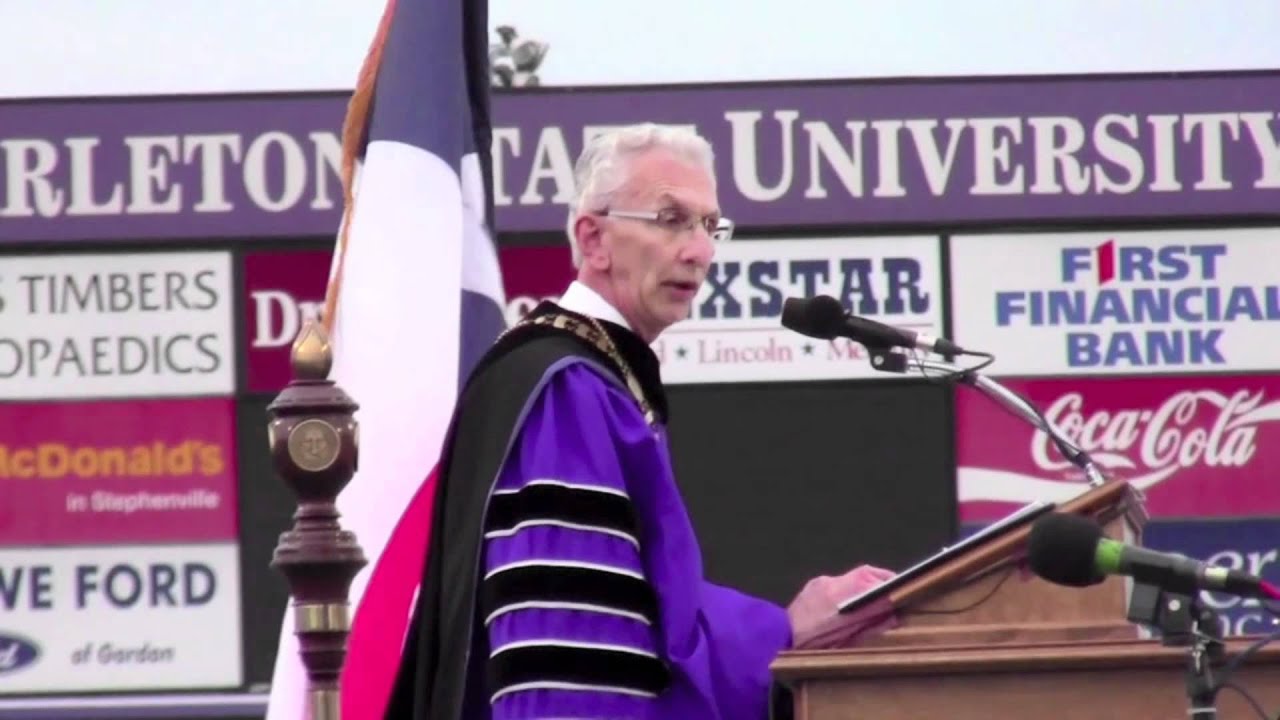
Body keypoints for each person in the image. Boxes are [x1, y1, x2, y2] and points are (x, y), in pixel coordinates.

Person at [384, 123, 894, 719]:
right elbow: (578, 659)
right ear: (593, 238)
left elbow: (649, 611)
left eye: (709, 226)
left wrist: (779, 630)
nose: (700, 251)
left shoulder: (599, 379)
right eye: (671, 219)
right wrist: (782, 631)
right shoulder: (565, 392)